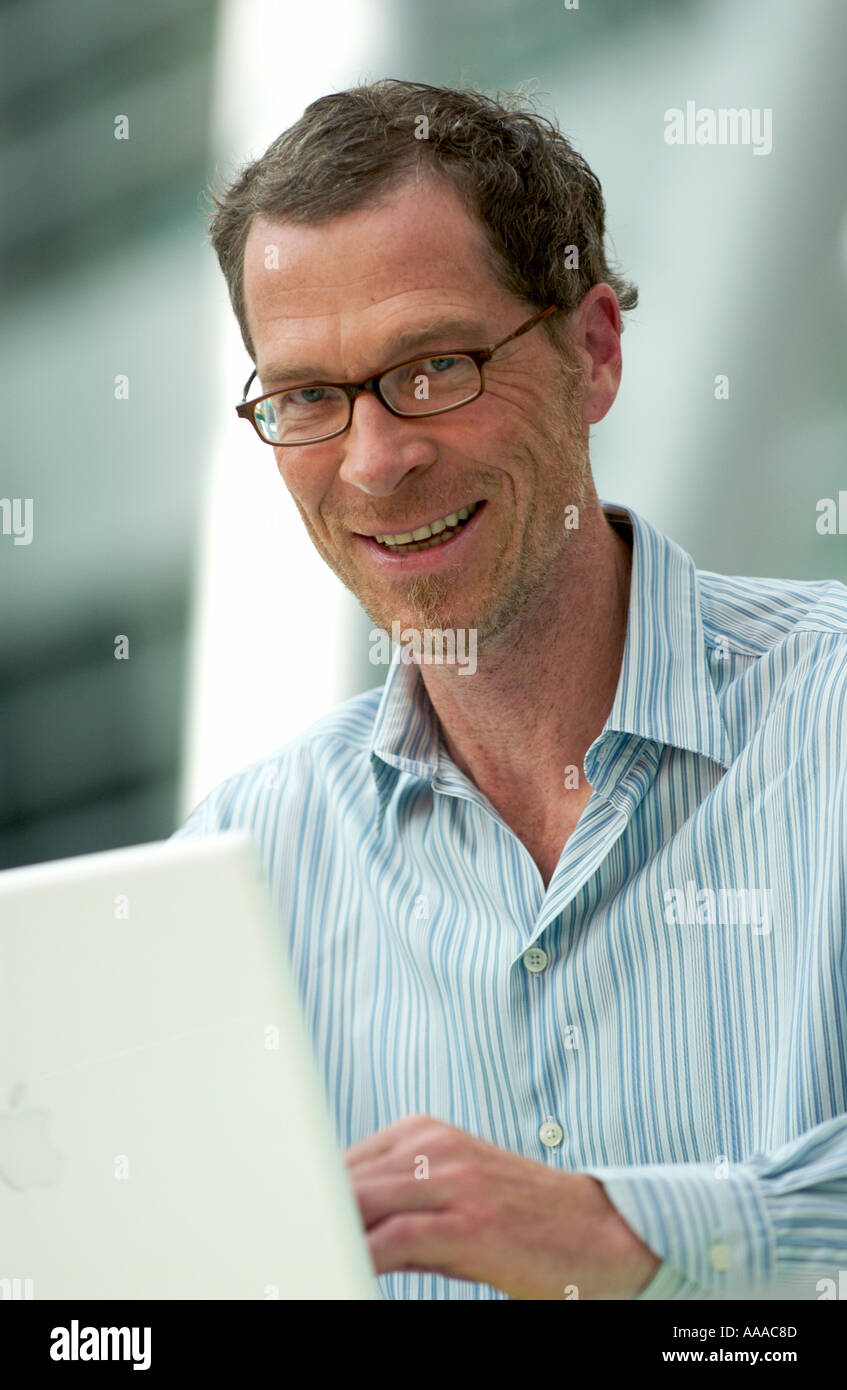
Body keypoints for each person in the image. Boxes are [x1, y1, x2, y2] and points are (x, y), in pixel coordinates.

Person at [173, 79, 847, 1300]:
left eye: (433, 367)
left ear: (593, 350)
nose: (376, 462)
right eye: (310, 397)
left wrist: (629, 1237)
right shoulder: (232, 871)